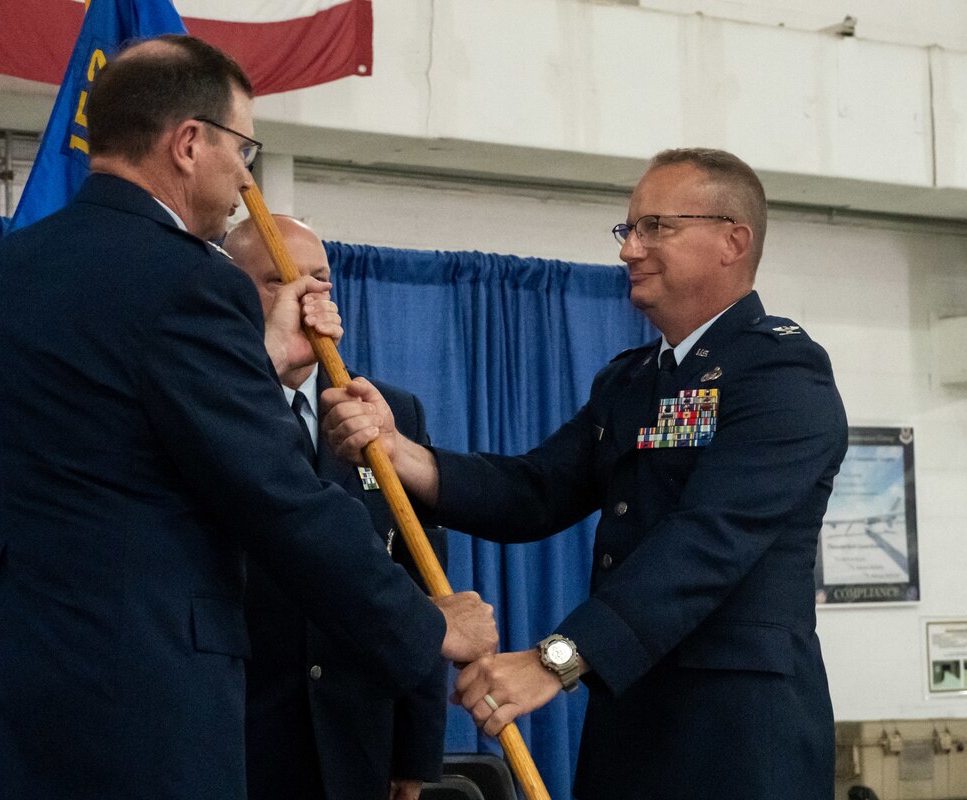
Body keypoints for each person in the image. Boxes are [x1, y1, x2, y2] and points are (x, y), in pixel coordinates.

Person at [0, 34, 496, 800]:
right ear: (188, 143)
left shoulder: (16, 263)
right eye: (244, 149)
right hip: (139, 701)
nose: (246, 177)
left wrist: (257, 366)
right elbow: (279, 495)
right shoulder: (189, 281)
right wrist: (428, 625)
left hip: (13, 688)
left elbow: (123, 425)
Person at [322, 148, 848, 800]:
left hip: (737, 734)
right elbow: (536, 489)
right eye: (627, 229)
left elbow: (706, 542)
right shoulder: (631, 381)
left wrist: (558, 660)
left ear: (731, 241)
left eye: (656, 227)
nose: (630, 248)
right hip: (630, 721)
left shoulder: (781, 374)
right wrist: (404, 454)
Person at [224, 215, 448, 800]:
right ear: (229, 289)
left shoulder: (383, 412)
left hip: (357, 740)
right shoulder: (212, 408)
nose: (310, 296)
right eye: (281, 280)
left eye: (322, 279)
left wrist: (415, 752)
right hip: (241, 735)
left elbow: (422, 582)